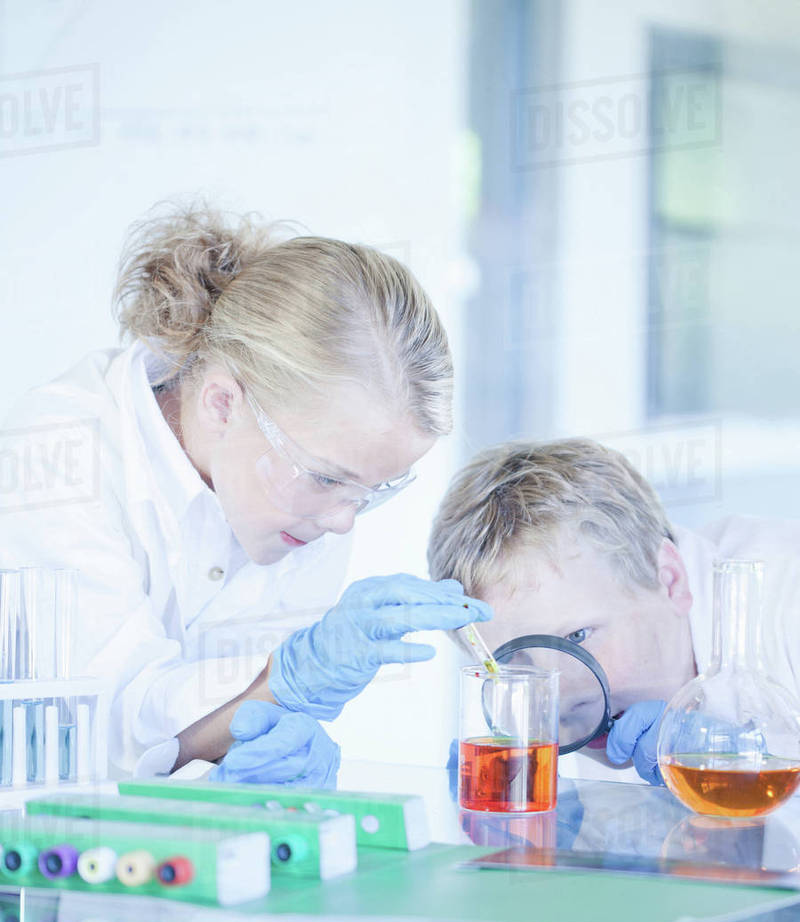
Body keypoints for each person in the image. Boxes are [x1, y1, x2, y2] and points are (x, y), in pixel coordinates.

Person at [0, 203, 490, 780]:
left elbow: (224, 729)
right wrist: (285, 683)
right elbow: (100, 732)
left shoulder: (315, 498)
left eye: (370, 491)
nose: (342, 523)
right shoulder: (61, 453)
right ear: (222, 403)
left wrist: (270, 743)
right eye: (329, 478)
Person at [427, 438, 800, 784]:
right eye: (516, 663)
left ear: (671, 579)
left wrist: (767, 767)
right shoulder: (557, 721)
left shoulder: (788, 600)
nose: (559, 702)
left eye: (577, 637)